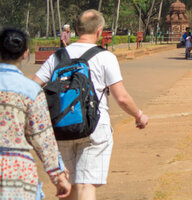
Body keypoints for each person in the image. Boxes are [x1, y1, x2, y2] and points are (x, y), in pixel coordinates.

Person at [34, 10, 149, 199]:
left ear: (76, 30)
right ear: (99, 31)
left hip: (62, 126)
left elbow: (33, 87)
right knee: (86, 185)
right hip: (94, 126)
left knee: (69, 185)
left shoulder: (58, 56)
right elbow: (121, 98)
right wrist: (138, 115)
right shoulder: (105, 57)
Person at [1, 27, 72, 200]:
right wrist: (58, 175)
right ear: (25, 53)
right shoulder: (31, 90)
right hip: (17, 174)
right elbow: (43, 137)